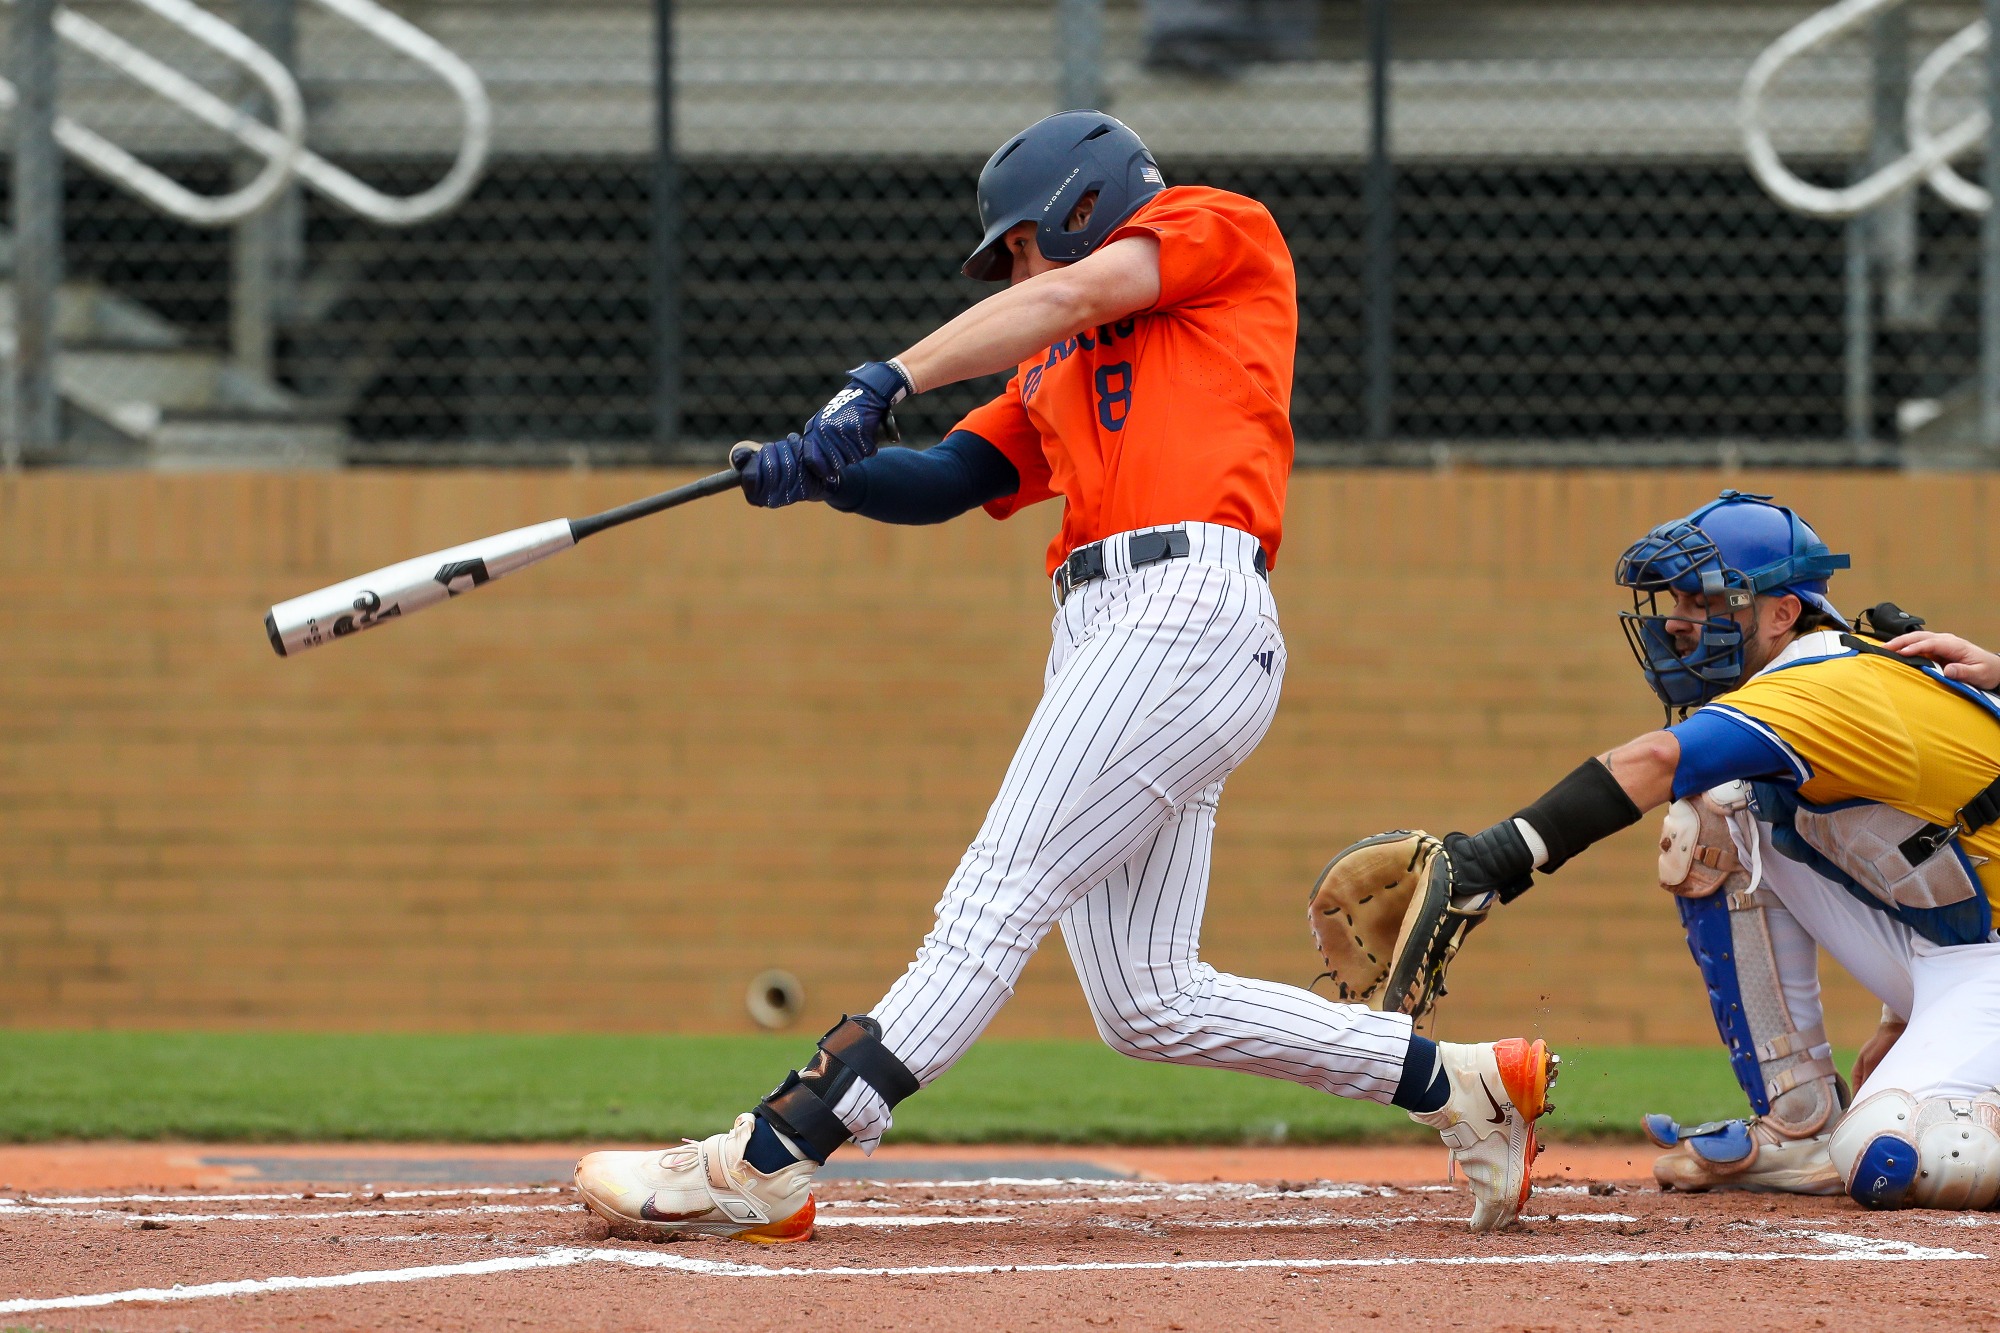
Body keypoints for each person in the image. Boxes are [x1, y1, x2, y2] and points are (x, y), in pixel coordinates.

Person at [570, 110, 1558, 1242]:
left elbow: (1069, 295)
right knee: (1147, 999)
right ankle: (1466, 1086)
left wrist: (879, 379)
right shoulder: (1056, 358)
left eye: (1024, 244)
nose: (1018, 270)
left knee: (994, 898)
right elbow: (948, 476)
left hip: (1181, 603)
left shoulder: (1211, 229)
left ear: (1086, 207)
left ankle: (773, 1152)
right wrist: (817, 474)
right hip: (1107, 631)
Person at [1406, 489, 2000, 1209]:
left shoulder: (1822, 685)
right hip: (1957, 950)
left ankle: (1868, 1127)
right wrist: (1901, 1013)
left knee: (1887, 1150)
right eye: (1679, 601)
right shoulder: (1836, 669)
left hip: (1980, 959)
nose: (1682, 623)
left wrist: (1492, 860)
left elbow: (1653, 761)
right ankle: (1800, 1121)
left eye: (1707, 600)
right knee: (1719, 809)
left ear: (1783, 612)